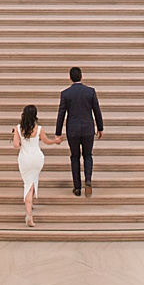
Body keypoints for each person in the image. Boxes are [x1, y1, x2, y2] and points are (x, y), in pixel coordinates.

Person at [10, 104, 63, 227]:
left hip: (25, 159)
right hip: (37, 158)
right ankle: (30, 204)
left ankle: (29, 214)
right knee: (33, 180)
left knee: (27, 185)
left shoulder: (18, 128)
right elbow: (46, 141)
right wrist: (56, 141)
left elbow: (16, 145)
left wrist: (16, 135)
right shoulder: (38, 129)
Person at [56, 66, 104, 198]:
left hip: (73, 130)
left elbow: (61, 113)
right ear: (82, 76)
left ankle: (77, 187)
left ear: (70, 78)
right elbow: (96, 111)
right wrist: (100, 128)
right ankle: (88, 179)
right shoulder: (90, 92)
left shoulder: (65, 94)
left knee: (75, 157)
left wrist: (58, 132)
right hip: (88, 129)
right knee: (88, 155)